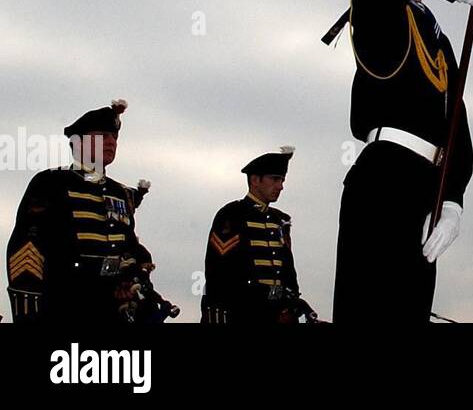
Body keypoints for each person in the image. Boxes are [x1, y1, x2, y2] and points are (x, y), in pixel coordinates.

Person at [328, 0, 473, 323]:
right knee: (371, 309)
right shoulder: (374, 3)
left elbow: (454, 116)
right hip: (385, 176)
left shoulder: (434, 33)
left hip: (427, 184)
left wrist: (453, 199)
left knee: (411, 311)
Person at [6, 101, 163, 323]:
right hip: (65, 303)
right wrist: (29, 304)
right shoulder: (51, 183)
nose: (111, 142)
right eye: (103, 136)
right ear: (78, 142)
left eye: (114, 137)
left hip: (113, 307)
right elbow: (27, 247)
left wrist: (133, 277)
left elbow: (129, 247)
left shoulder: (121, 193)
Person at [202, 146, 319, 323]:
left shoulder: (280, 219)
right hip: (242, 311)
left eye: (282, 180)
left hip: (277, 311)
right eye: (275, 179)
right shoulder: (232, 214)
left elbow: (287, 269)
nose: (280, 186)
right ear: (255, 180)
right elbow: (218, 271)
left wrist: (291, 303)